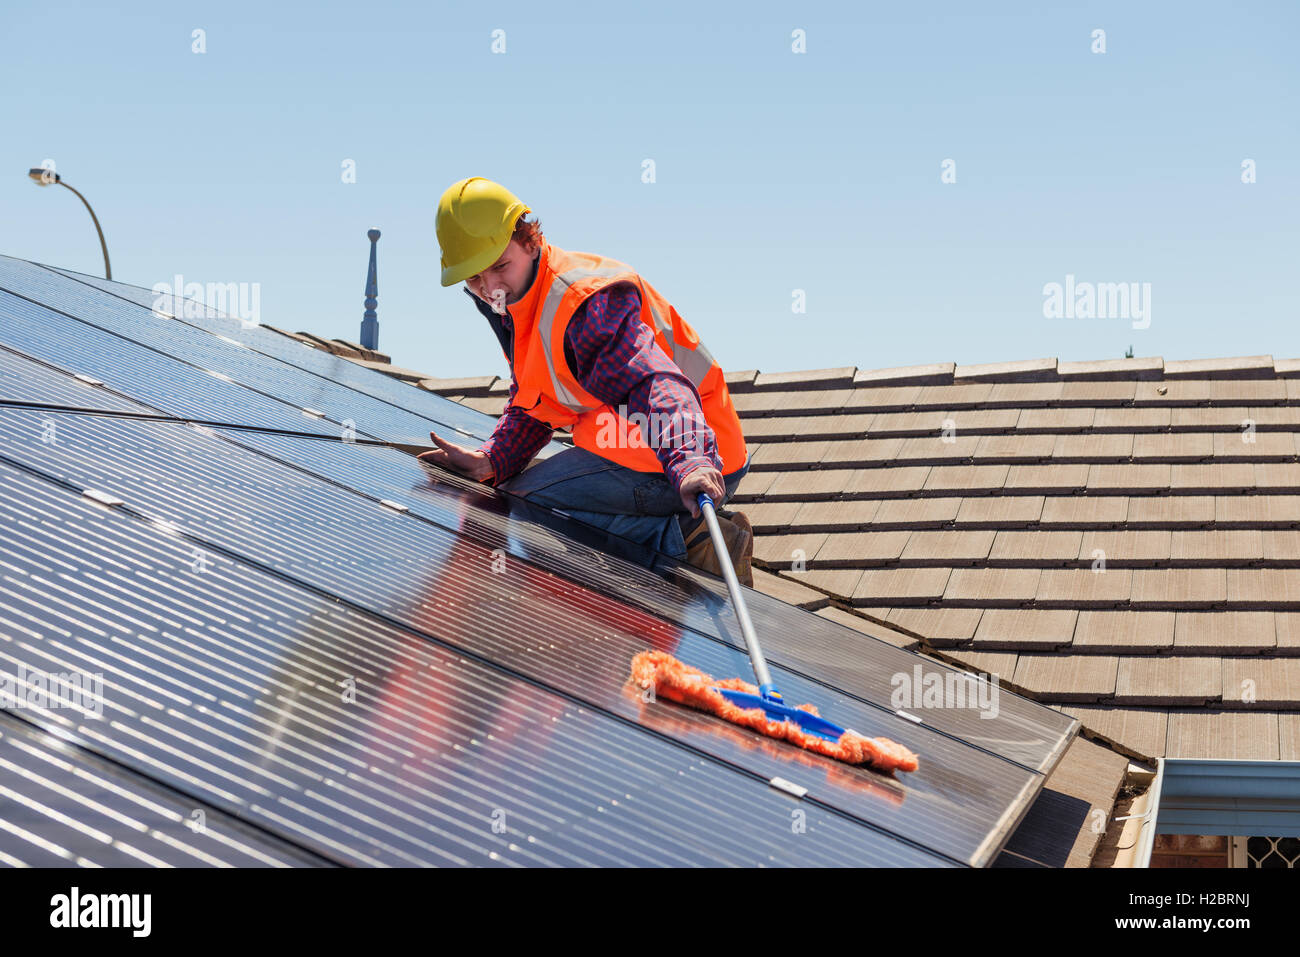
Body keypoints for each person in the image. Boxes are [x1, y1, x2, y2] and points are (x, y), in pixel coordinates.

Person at [420, 176, 754, 585]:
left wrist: (690, 461)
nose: (491, 289)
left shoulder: (581, 303)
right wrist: (494, 460)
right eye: (474, 278)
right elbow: (538, 403)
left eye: (500, 266)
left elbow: (653, 385)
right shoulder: (523, 305)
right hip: (645, 447)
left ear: (529, 239)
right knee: (510, 489)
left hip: (688, 455)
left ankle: (691, 540)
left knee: (529, 502)